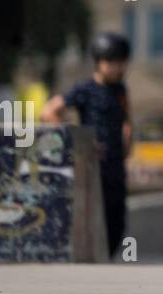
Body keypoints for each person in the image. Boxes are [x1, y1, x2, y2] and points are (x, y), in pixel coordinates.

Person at [40, 32, 133, 259]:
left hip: (115, 166)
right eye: (111, 62)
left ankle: (106, 259)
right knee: (94, 218)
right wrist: (75, 138)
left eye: (120, 62)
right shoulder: (85, 89)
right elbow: (49, 111)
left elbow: (127, 119)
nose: (116, 68)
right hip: (94, 166)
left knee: (117, 219)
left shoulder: (120, 89)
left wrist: (128, 143)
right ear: (99, 63)